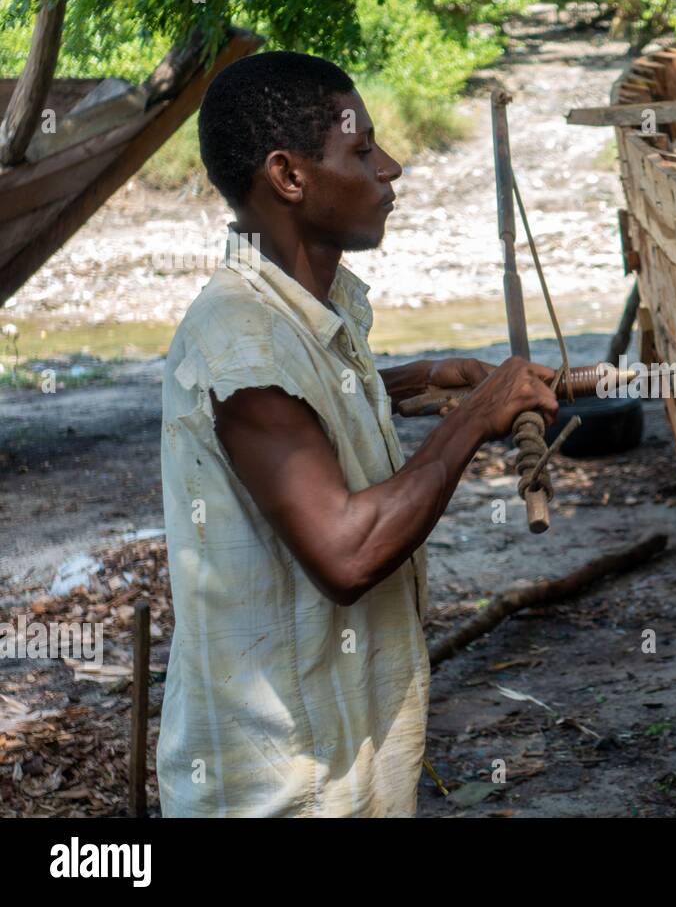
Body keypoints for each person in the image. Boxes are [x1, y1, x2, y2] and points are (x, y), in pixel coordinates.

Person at [157, 51, 557, 816]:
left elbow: (308, 403)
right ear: (289, 175)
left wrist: (415, 381)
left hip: (339, 765)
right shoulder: (244, 342)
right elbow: (346, 552)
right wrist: (476, 417)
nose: (392, 168)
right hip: (284, 792)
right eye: (364, 151)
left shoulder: (297, 307)